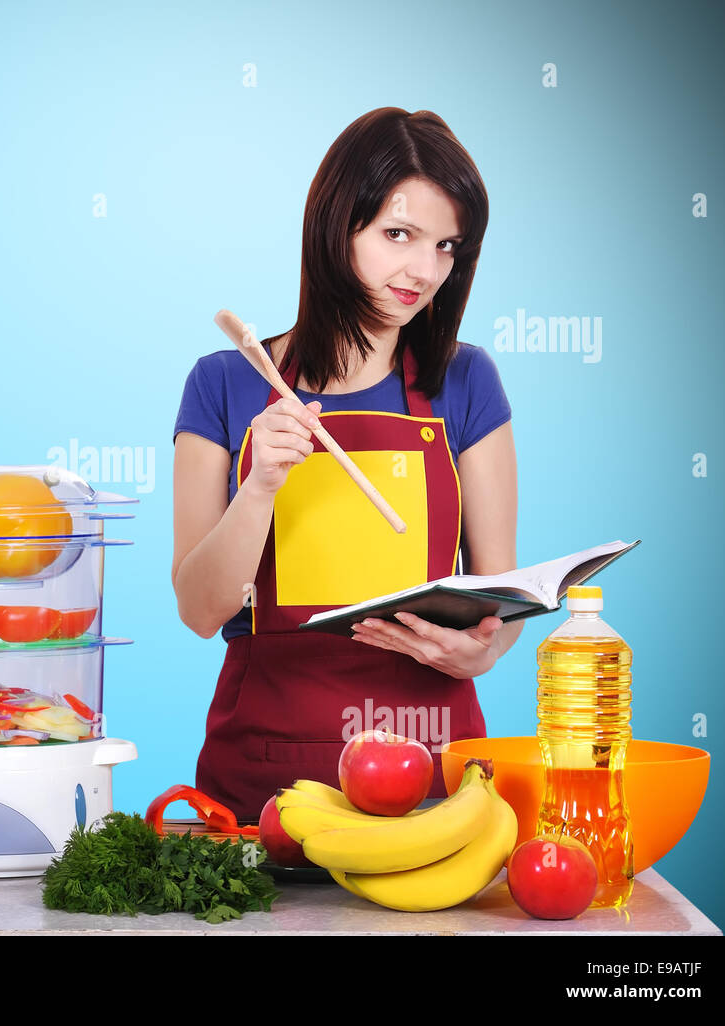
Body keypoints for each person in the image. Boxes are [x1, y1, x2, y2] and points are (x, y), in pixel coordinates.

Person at [171, 108, 522, 823]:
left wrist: (482, 654)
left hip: (430, 772)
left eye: (447, 245)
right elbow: (200, 611)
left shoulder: (468, 382)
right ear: (338, 227)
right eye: (399, 234)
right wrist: (261, 487)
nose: (425, 271)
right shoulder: (224, 385)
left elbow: (502, 600)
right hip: (265, 778)